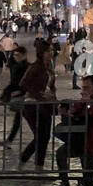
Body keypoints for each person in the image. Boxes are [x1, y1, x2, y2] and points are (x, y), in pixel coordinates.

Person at [19, 41, 56, 170]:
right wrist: (38, 95)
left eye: (52, 50)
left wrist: (54, 102)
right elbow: (24, 83)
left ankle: (38, 165)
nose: (51, 53)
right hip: (32, 106)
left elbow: (51, 87)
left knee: (45, 137)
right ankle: (26, 158)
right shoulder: (35, 67)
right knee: (41, 136)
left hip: (46, 106)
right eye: (48, 51)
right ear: (41, 53)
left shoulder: (49, 66)